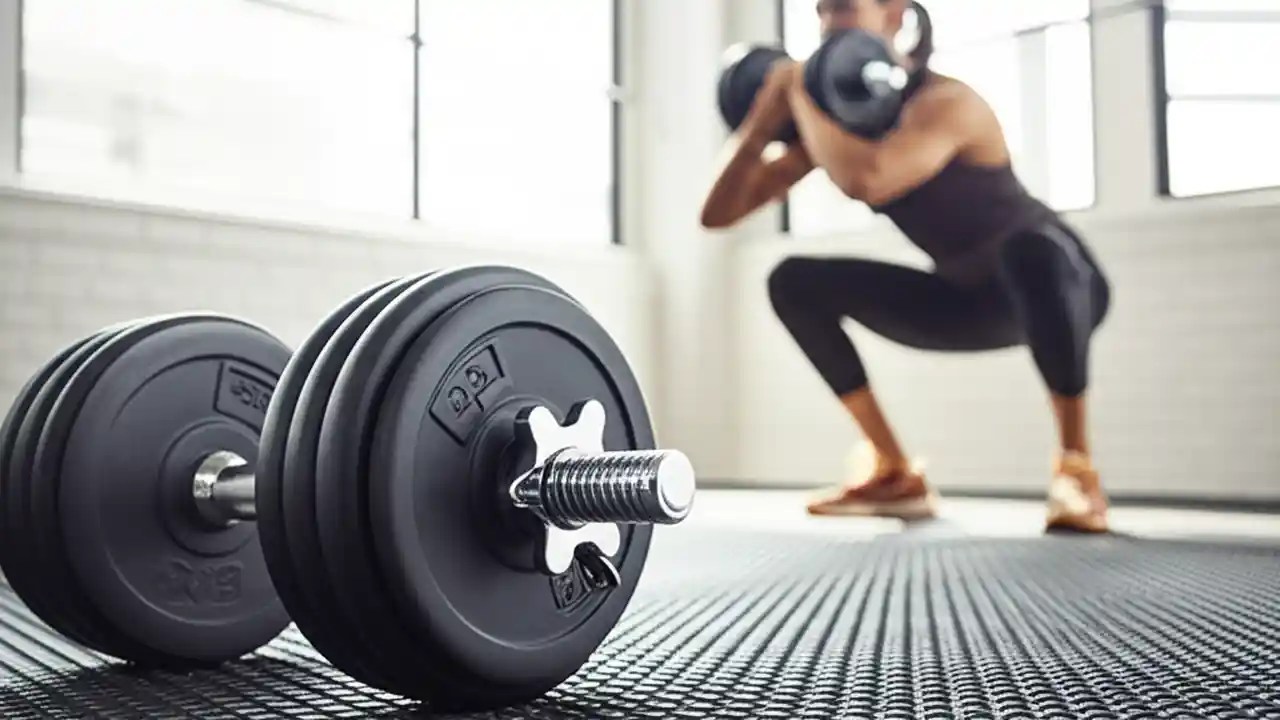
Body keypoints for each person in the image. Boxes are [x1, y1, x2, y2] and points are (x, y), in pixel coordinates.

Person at [700, 0, 1112, 533]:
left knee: (1028, 248)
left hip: (1064, 287)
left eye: (843, 8)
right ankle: (893, 471)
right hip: (967, 301)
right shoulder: (837, 127)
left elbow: (871, 178)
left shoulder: (947, 101)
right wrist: (760, 124)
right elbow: (717, 214)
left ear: (894, 14)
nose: (828, 24)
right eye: (821, 12)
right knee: (794, 281)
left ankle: (1077, 472)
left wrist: (796, 93)